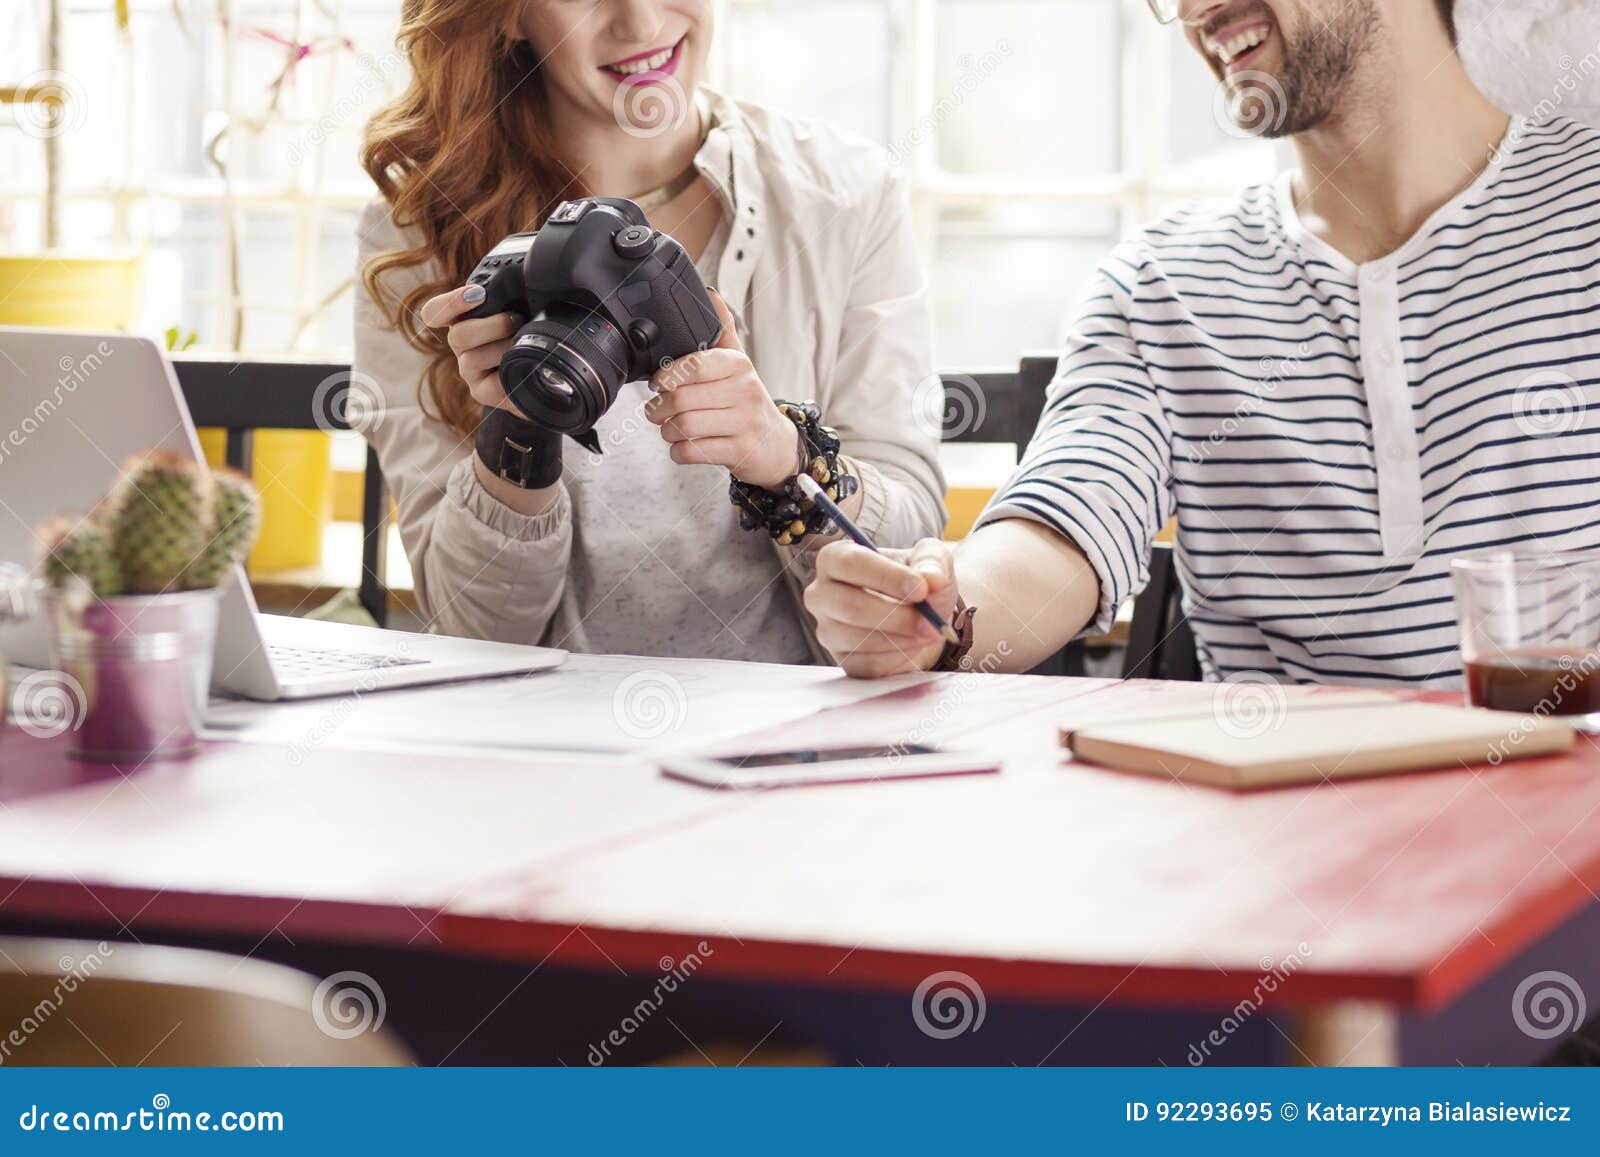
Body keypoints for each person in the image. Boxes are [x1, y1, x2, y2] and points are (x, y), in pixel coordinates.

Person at [805, 0, 1600, 685]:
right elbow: (1062, 529)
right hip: (1281, 840)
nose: (1192, 9)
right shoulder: (1160, 285)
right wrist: (938, 607)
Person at [355, 0, 944, 662]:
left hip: (796, 746)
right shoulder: (420, 233)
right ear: (509, 15)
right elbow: (475, 631)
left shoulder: (845, 197)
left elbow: (912, 565)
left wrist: (781, 456)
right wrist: (517, 429)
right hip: (535, 750)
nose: (639, 23)